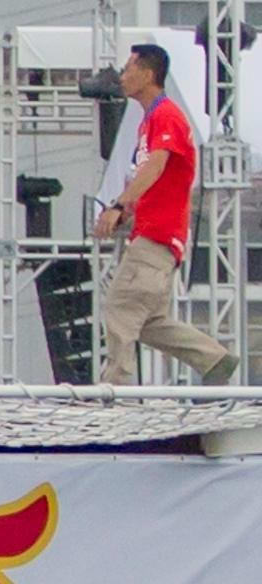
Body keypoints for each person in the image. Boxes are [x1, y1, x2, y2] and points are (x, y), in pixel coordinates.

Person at [96, 40, 242, 380]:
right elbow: (161, 178)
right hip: (160, 236)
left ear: (147, 74)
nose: (123, 75)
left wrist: (119, 205)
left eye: (129, 68)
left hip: (155, 236)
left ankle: (114, 393)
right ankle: (214, 360)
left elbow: (156, 166)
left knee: (120, 307)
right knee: (147, 323)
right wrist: (129, 210)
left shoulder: (165, 116)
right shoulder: (152, 120)